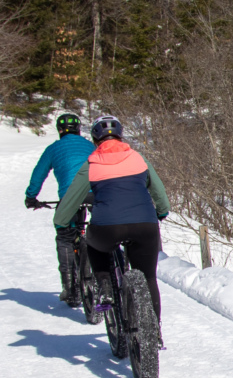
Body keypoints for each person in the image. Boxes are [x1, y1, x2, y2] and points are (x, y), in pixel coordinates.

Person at [53, 116, 171, 328]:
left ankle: (105, 286)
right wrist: (162, 211)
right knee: (149, 278)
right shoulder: (138, 158)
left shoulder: (91, 164)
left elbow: (71, 200)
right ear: (121, 135)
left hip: (107, 227)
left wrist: (61, 221)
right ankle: (154, 331)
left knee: (93, 244)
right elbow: (159, 192)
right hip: (145, 225)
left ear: (95, 138)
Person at [25, 112, 94, 304]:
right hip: (95, 194)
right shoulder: (89, 145)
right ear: (79, 129)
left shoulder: (53, 148)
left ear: (59, 130)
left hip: (69, 197)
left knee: (64, 235)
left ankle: (70, 288)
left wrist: (31, 197)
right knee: (96, 230)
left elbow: (39, 174)